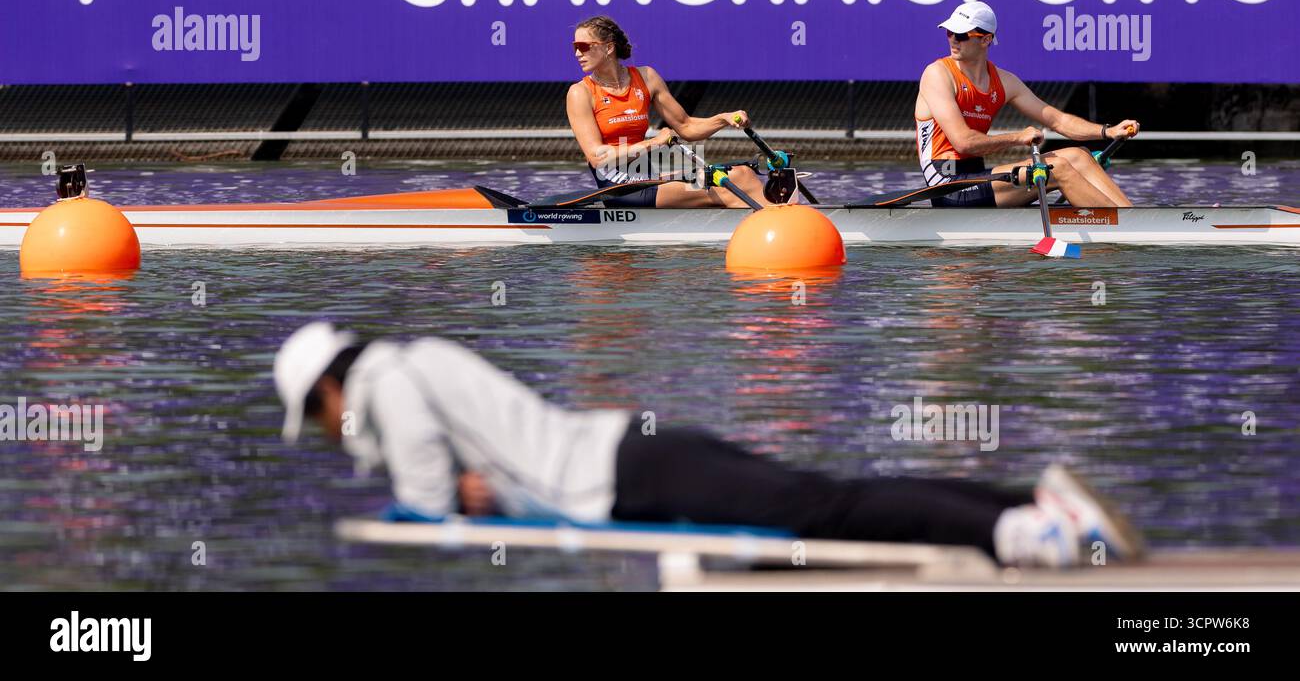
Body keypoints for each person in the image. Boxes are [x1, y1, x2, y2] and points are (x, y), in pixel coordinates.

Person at [275, 322, 1144, 568]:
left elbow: (423, 484)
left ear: (326, 389)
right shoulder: (411, 362)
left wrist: (417, 510)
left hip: (628, 470)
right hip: (631, 462)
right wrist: (483, 495)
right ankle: (1027, 507)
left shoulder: (385, 375)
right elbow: (482, 463)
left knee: (826, 513)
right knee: (828, 500)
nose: (327, 433)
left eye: (316, 418)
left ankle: (1022, 535)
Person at [916, 1, 1141, 208]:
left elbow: (1057, 120)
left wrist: (1107, 131)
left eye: (961, 34)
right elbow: (963, 142)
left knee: (1079, 155)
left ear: (985, 40)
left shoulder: (1004, 81)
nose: (953, 39)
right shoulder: (937, 74)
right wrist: (1017, 137)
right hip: (945, 183)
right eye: (949, 31)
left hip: (975, 177)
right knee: (1059, 168)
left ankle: (1134, 219)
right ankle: (1126, 230)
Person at [565, 15, 770, 208]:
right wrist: (654, 143)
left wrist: (723, 118)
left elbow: (686, 126)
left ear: (608, 47)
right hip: (619, 186)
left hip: (647, 178)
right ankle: (768, 228)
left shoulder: (646, 77)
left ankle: (768, 222)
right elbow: (597, 157)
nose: (577, 54)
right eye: (575, 47)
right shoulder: (580, 93)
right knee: (730, 185)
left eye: (583, 47)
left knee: (744, 174)